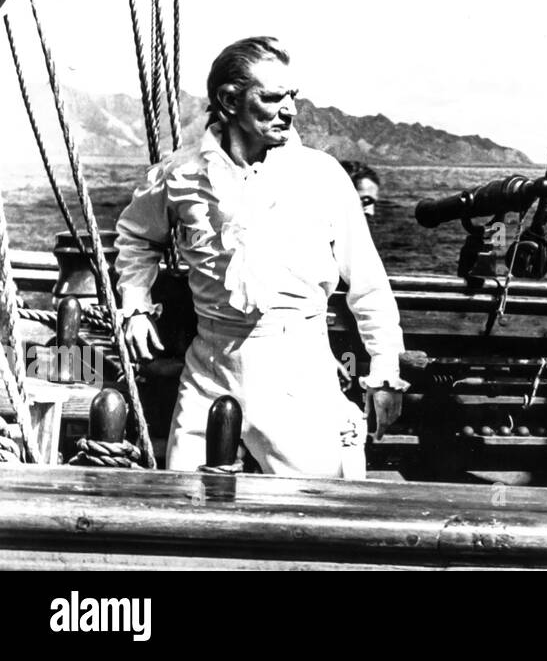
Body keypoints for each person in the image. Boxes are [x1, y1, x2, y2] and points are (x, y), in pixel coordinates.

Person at [115, 36, 407, 476]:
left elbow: (367, 282)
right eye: (272, 98)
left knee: (312, 509)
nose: (288, 109)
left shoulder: (321, 176)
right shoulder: (181, 174)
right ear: (229, 100)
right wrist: (135, 305)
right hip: (210, 364)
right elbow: (138, 237)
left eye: (293, 96)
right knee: (183, 504)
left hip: (296, 364)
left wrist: (384, 371)